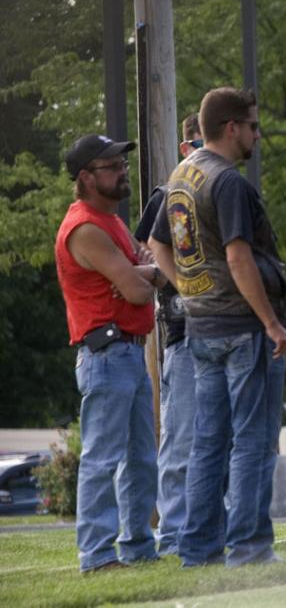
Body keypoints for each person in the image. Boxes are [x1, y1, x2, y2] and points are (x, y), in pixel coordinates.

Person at [149, 88, 286, 567]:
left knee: (208, 443)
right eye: (252, 126)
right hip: (240, 326)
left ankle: (198, 549)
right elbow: (237, 255)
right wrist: (271, 322)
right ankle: (250, 548)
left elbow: (159, 244)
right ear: (232, 127)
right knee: (253, 438)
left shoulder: (181, 177)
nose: (257, 134)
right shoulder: (228, 182)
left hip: (201, 328)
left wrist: (190, 291)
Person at [54, 134, 168, 572]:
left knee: (141, 457)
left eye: (122, 163)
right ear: (85, 177)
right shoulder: (84, 227)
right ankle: (97, 556)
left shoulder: (112, 221)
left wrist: (138, 272)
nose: (122, 171)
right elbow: (140, 288)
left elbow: (141, 270)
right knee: (102, 460)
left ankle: (138, 545)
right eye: (111, 165)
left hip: (129, 353)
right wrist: (144, 274)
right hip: (106, 353)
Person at [132, 113, 202, 557]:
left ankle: (214, 526)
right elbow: (145, 253)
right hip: (182, 330)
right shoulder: (166, 196)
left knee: (221, 438)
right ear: (184, 147)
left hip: (224, 328)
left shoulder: (229, 188)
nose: (201, 151)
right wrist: (179, 283)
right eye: (196, 143)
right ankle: (173, 534)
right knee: (180, 437)